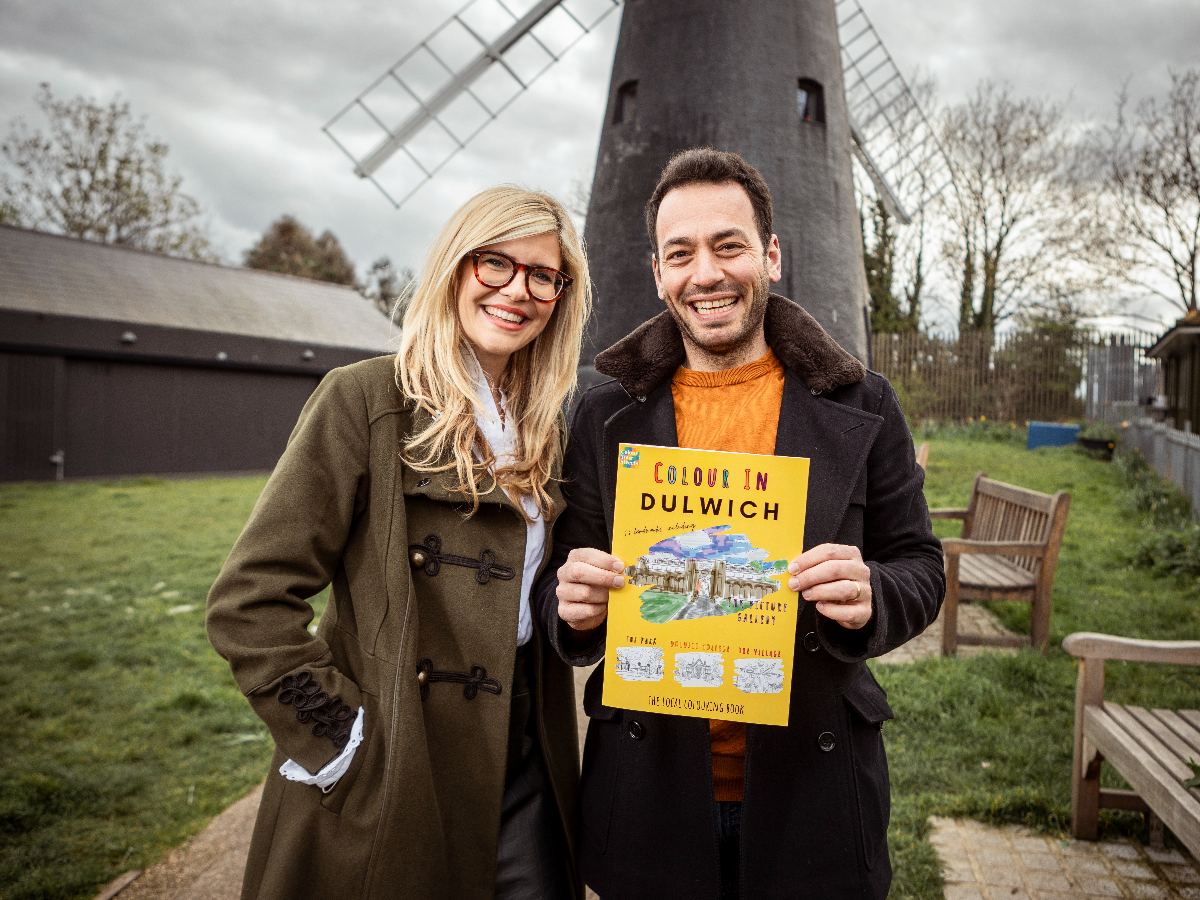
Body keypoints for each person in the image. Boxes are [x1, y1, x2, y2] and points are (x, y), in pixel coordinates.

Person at [534, 149, 944, 900]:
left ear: (772, 256)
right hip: (651, 792)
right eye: (681, 253)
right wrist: (574, 606)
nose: (707, 274)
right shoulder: (602, 413)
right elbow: (561, 581)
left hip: (811, 793)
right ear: (658, 273)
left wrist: (873, 594)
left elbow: (919, 563)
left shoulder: (863, 403)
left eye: (729, 246)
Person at [206, 186, 592, 900]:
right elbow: (248, 603)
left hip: (527, 756)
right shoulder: (366, 399)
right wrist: (341, 742)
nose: (520, 290)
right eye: (495, 263)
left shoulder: (547, 426)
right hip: (395, 755)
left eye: (545, 274)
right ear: (455, 265)